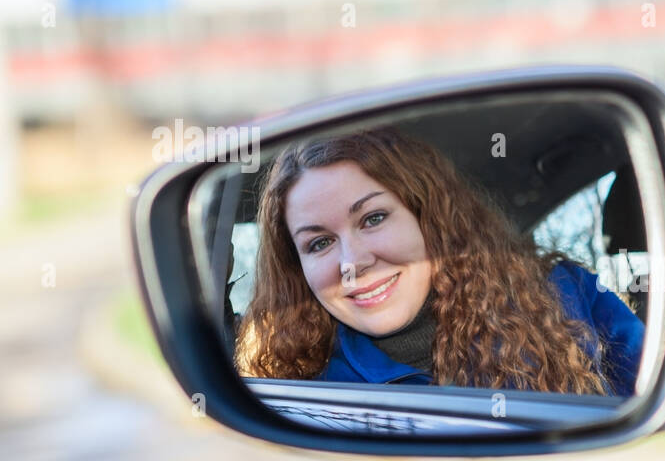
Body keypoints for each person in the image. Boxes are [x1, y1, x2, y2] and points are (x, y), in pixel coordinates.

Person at [234, 127, 643, 396]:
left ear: (429, 220)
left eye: (373, 219)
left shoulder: (566, 295)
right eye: (320, 243)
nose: (352, 262)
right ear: (296, 268)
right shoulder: (307, 389)